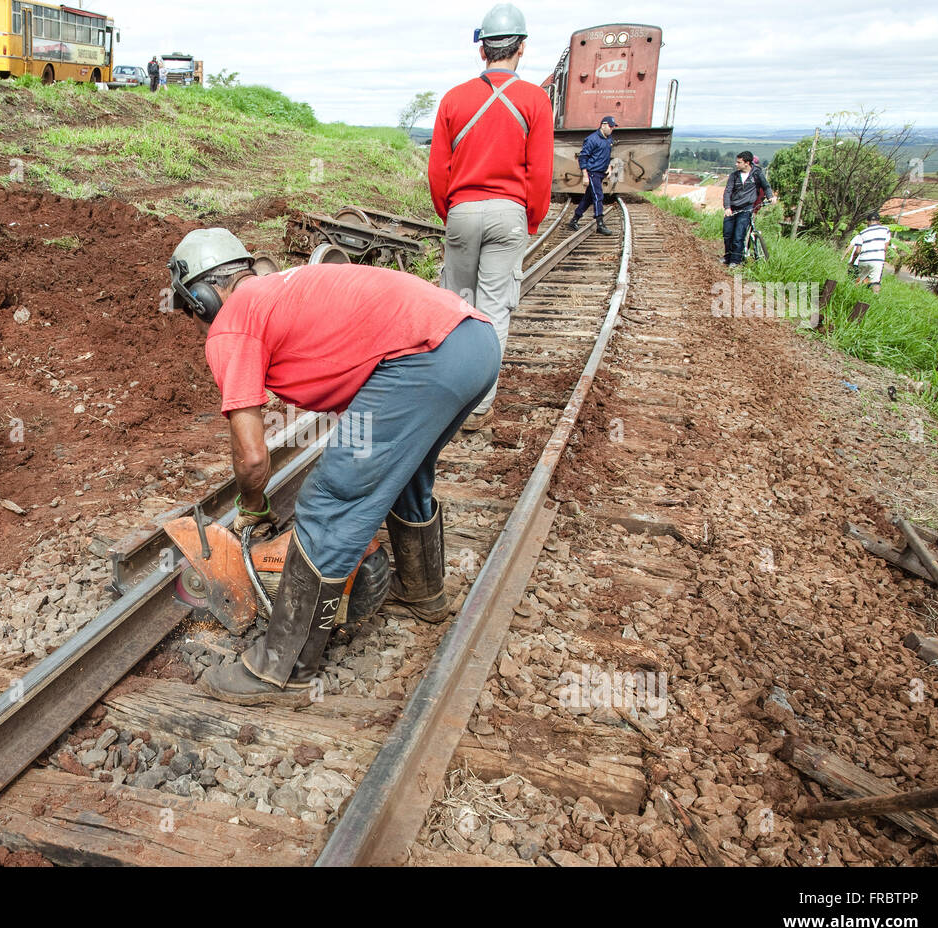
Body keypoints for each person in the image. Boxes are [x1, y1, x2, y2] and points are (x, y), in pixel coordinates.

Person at [167, 228, 501, 705]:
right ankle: (424, 592)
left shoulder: (232, 322)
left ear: (200, 298)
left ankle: (281, 670)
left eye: (190, 312)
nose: (196, 321)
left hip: (425, 360)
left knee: (330, 501)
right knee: (403, 473)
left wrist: (254, 505)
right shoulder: (283, 288)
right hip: (474, 342)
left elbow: (253, 455)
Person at [427, 3, 552, 433]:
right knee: (494, 310)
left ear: (483, 51)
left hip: (461, 210)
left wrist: (452, 213)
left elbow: (437, 170)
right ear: (521, 49)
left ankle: (448, 397)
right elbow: (541, 172)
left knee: (457, 306)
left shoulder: (454, 99)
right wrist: (530, 219)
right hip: (510, 213)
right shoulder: (535, 100)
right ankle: (481, 405)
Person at [722, 150, 775, 266]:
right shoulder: (734, 176)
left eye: (739, 162)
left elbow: (766, 186)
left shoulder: (757, 174)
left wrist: (771, 196)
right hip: (732, 207)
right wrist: (727, 207)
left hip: (746, 208)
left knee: (739, 235)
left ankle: (735, 261)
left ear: (747, 163)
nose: (736, 164)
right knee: (728, 234)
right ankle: (727, 257)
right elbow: (728, 191)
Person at [568, 116, 617, 234]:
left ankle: (574, 220)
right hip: (593, 173)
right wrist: (585, 175)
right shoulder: (591, 139)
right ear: (603, 125)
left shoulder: (609, 139)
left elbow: (608, 155)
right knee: (598, 196)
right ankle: (600, 223)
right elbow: (583, 157)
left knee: (589, 197)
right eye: (610, 126)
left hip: (601, 173)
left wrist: (609, 167)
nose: (612, 129)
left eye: (613, 127)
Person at [848, 212, 891, 294]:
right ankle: (875, 299)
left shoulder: (863, 232)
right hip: (877, 260)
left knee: (858, 280)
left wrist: (852, 262)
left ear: (867, 221)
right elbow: (885, 247)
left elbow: (857, 251)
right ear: (878, 221)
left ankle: (852, 295)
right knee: (875, 282)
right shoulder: (885, 230)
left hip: (863, 259)